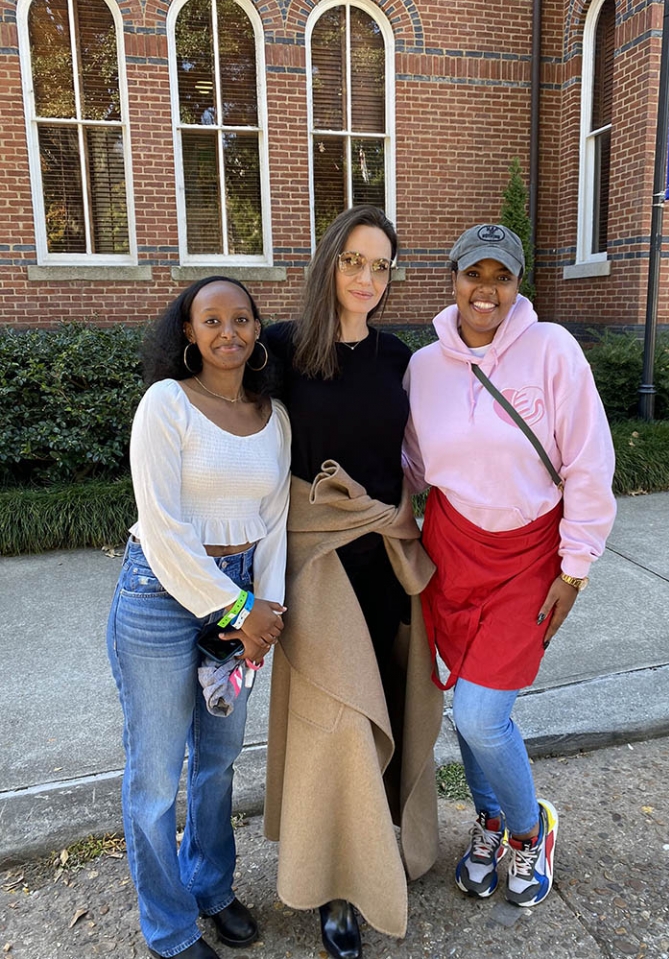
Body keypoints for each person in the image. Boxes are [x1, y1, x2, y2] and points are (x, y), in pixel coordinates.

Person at [403, 223, 616, 908]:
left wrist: (575, 566)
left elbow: (589, 464)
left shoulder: (553, 350)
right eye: (474, 274)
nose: (486, 290)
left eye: (501, 276)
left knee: (481, 715)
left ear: (519, 284)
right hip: (451, 554)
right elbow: (411, 466)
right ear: (453, 279)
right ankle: (489, 822)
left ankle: (529, 830)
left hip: (529, 557)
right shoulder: (424, 367)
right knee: (468, 704)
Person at [262, 206, 443, 959]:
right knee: (336, 723)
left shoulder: (400, 356)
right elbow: (217, 413)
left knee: (386, 711)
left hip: (383, 561)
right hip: (316, 566)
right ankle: (338, 885)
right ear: (329, 261)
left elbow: (427, 455)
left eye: (380, 266)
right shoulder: (280, 349)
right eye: (353, 261)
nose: (367, 278)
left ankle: (378, 845)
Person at [107, 276, 291, 959]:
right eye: (211, 320)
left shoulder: (275, 416)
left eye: (241, 319)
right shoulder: (166, 404)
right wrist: (238, 609)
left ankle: (212, 888)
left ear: (257, 329)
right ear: (188, 331)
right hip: (160, 597)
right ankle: (170, 927)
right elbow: (162, 528)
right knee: (156, 779)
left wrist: (267, 609)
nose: (228, 332)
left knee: (217, 762)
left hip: (242, 598)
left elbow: (275, 522)